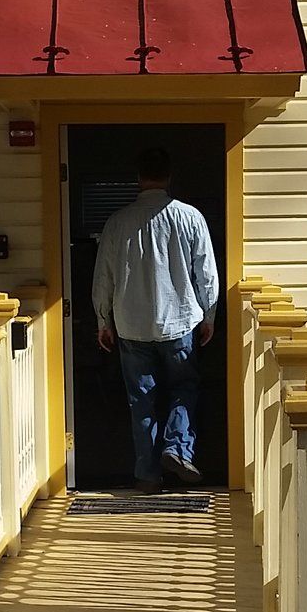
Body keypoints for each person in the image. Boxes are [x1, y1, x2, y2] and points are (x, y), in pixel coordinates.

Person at [91, 147, 220, 493]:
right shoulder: (190, 218)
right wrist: (209, 315)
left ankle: (147, 475)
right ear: (169, 176)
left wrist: (103, 321)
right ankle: (177, 448)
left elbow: (103, 277)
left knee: (142, 399)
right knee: (184, 387)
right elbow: (206, 273)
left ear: (139, 178)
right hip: (180, 322)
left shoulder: (117, 223)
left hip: (131, 325)